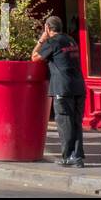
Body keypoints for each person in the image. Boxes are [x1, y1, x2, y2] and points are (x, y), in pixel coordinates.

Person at [33, 15, 86, 167]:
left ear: (48, 28)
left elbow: (34, 57)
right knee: (76, 122)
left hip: (63, 88)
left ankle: (68, 156)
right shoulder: (71, 40)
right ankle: (77, 157)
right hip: (78, 86)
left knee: (64, 123)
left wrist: (41, 40)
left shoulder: (52, 42)